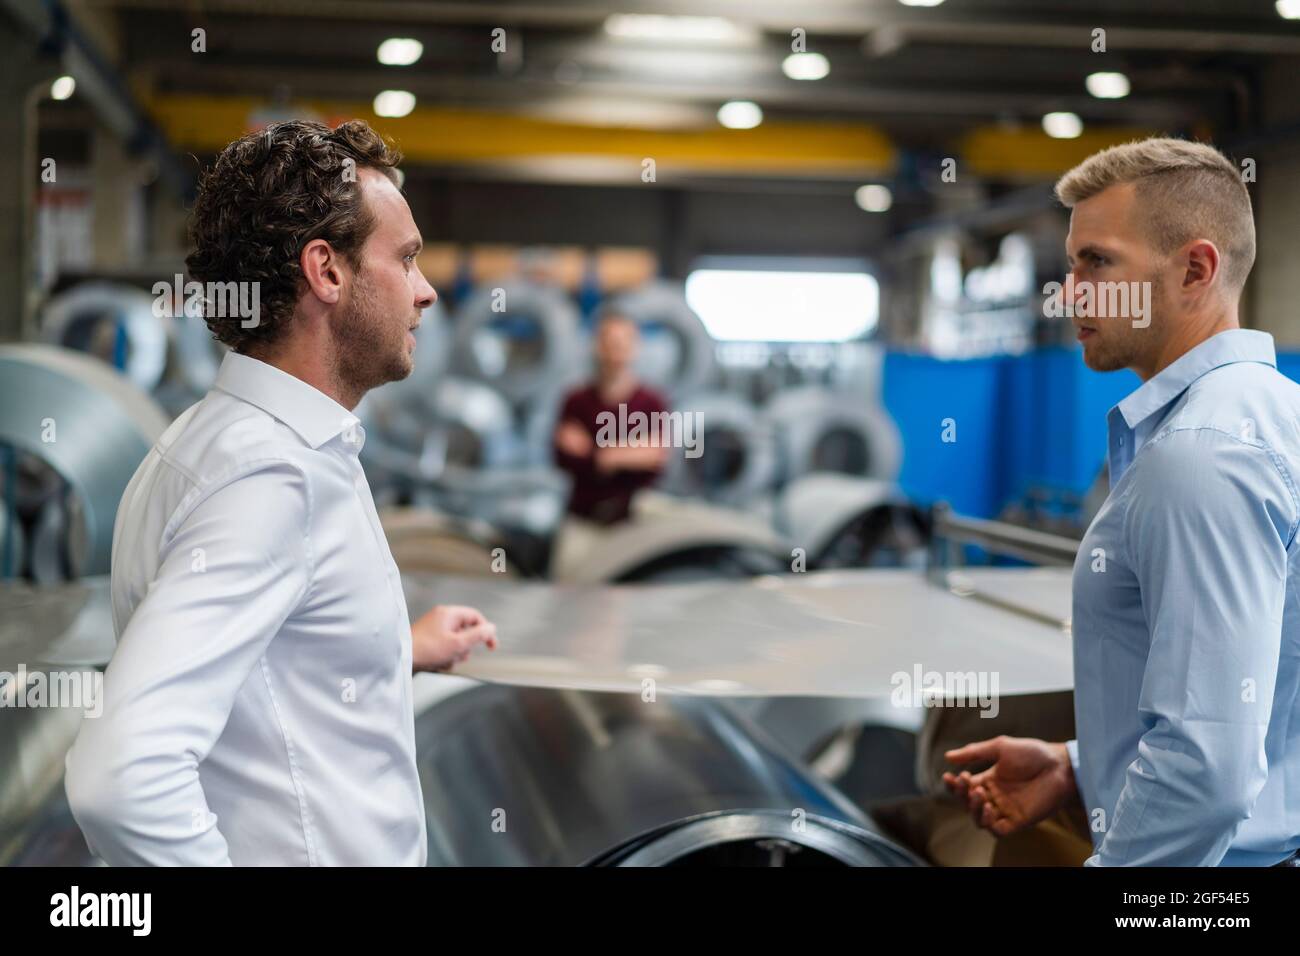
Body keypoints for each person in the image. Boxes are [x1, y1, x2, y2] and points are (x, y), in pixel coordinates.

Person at [63, 120, 497, 866]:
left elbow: (260, 666)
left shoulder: (211, 439)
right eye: (407, 259)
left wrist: (391, 647)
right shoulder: (272, 478)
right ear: (326, 271)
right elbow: (120, 778)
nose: (425, 293)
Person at [944, 137, 1300, 866]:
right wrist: (1080, 764)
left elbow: (1206, 771)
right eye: (1071, 264)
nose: (1069, 293)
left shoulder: (1203, 452)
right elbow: (1260, 696)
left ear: (1195, 270)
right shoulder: (1268, 414)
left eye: (1097, 263)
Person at [552, 311, 669, 525]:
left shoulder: (652, 403)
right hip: (583, 517)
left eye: (623, 343)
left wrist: (596, 453)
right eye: (610, 343)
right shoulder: (576, 401)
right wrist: (628, 451)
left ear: (636, 347)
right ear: (597, 346)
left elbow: (656, 455)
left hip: (635, 521)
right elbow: (563, 457)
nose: (617, 352)